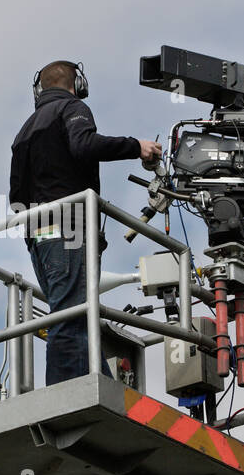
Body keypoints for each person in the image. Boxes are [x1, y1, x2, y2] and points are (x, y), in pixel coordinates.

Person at [9, 60, 162, 385]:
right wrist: (137, 146)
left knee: (76, 315)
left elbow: (15, 198)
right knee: (71, 316)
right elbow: (83, 145)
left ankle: (102, 388)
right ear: (76, 84)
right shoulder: (71, 107)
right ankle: (62, 400)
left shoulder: (24, 131)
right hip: (68, 230)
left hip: (39, 237)